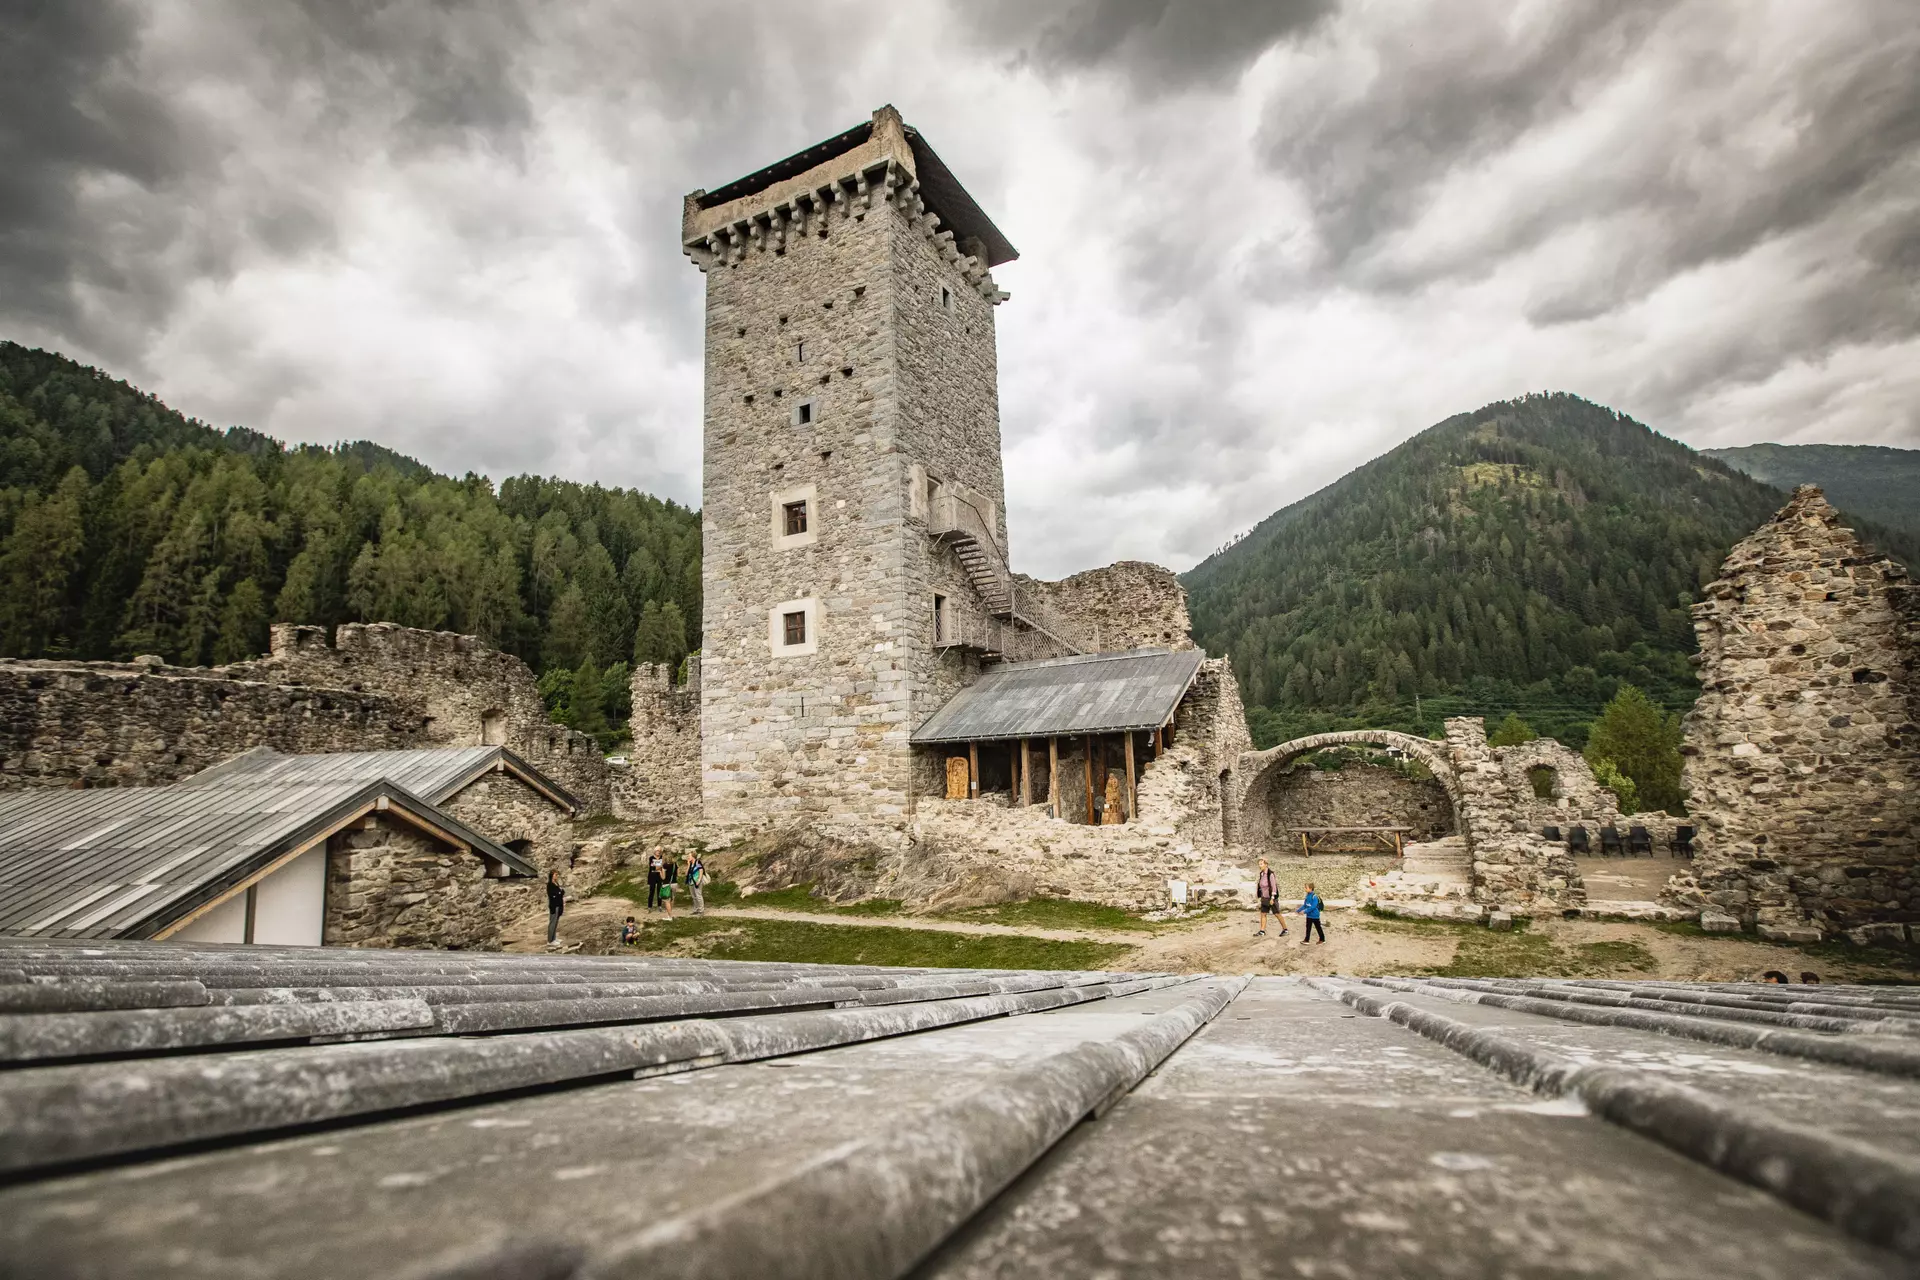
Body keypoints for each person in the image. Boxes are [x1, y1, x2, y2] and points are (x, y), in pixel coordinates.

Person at [1254, 859, 1287, 938]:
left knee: (1277, 914)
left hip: (1271, 898)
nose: (1260, 865)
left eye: (1261, 864)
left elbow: (1274, 887)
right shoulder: (1261, 874)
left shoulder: (1270, 874)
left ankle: (1285, 929)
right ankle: (1262, 931)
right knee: (1263, 914)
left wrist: (1272, 898)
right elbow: (1261, 886)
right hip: (1264, 898)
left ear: (1266, 864)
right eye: (1259, 864)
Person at [546, 871, 565, 944]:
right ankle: (550, 940)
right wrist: (559, 893)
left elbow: (562, 892)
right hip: (554, 905)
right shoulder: (550, 885)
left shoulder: (556, 883)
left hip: (559, 904)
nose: (557, 876)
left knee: (556, 922)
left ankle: (554, 938)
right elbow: (553, 894)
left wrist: (559, 893)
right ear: (552, 876)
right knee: (552, 922)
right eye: (556, 875)